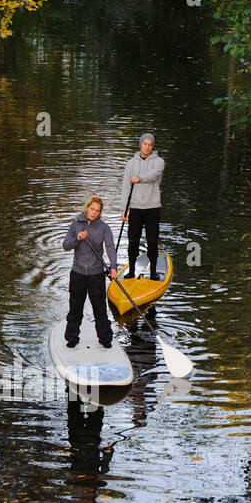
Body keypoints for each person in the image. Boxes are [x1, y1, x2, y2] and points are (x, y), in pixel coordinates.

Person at [62, 195, 118, 349]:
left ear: (100, 212)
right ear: (87, 208)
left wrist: (113, 267)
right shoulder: (75, 225)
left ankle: (105, 339)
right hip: (78, 274)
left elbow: (110, 247)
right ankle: (72, 338)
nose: (94, 213)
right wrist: (77, 238)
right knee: (75, 308)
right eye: (92, 209)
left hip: (96, 275)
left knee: (100, 309)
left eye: (97, 211)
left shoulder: (104, 227)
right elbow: (66, 245)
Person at [121, 131, 165, 280]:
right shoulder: (131, 163)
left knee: (152, 241)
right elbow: (126, 188)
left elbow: (154, 175)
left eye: (150, 145)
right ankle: (131, 271)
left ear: (152, 147)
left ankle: (153, 273)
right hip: (135, 208)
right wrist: (124, 209)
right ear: (140, 144)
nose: (147, 147)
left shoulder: (158, 162)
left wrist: (139, 178)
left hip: (152, 207)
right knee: (133, 240)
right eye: (145, 144)